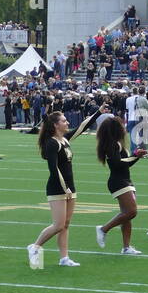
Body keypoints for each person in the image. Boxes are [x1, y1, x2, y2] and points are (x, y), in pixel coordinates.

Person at [28, 111, 91, 268]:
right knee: (58, 225)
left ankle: (64, 258)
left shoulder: (64, 139)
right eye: (64, 121)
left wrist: (98, 112)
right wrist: (65, 188)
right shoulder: (52, 143)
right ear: (56, 125)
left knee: (66, 224)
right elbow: (53, 169)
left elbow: (82, 127)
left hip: (70, 187)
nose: (67, 122)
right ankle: (35, 246)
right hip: (58, 187)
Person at [95, 114, 148, 254]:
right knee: (132, 211)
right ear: (116, 129)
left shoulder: (117, 143)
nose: (124, 127)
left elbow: (126, 164)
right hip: (118, 182)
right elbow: (117, 164)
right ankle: (103, 229)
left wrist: (136, 156)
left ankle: (126, 247)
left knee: (127, 215)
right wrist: (135, 156)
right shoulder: (113, 145)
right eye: (121, 125)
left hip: (124, 180)